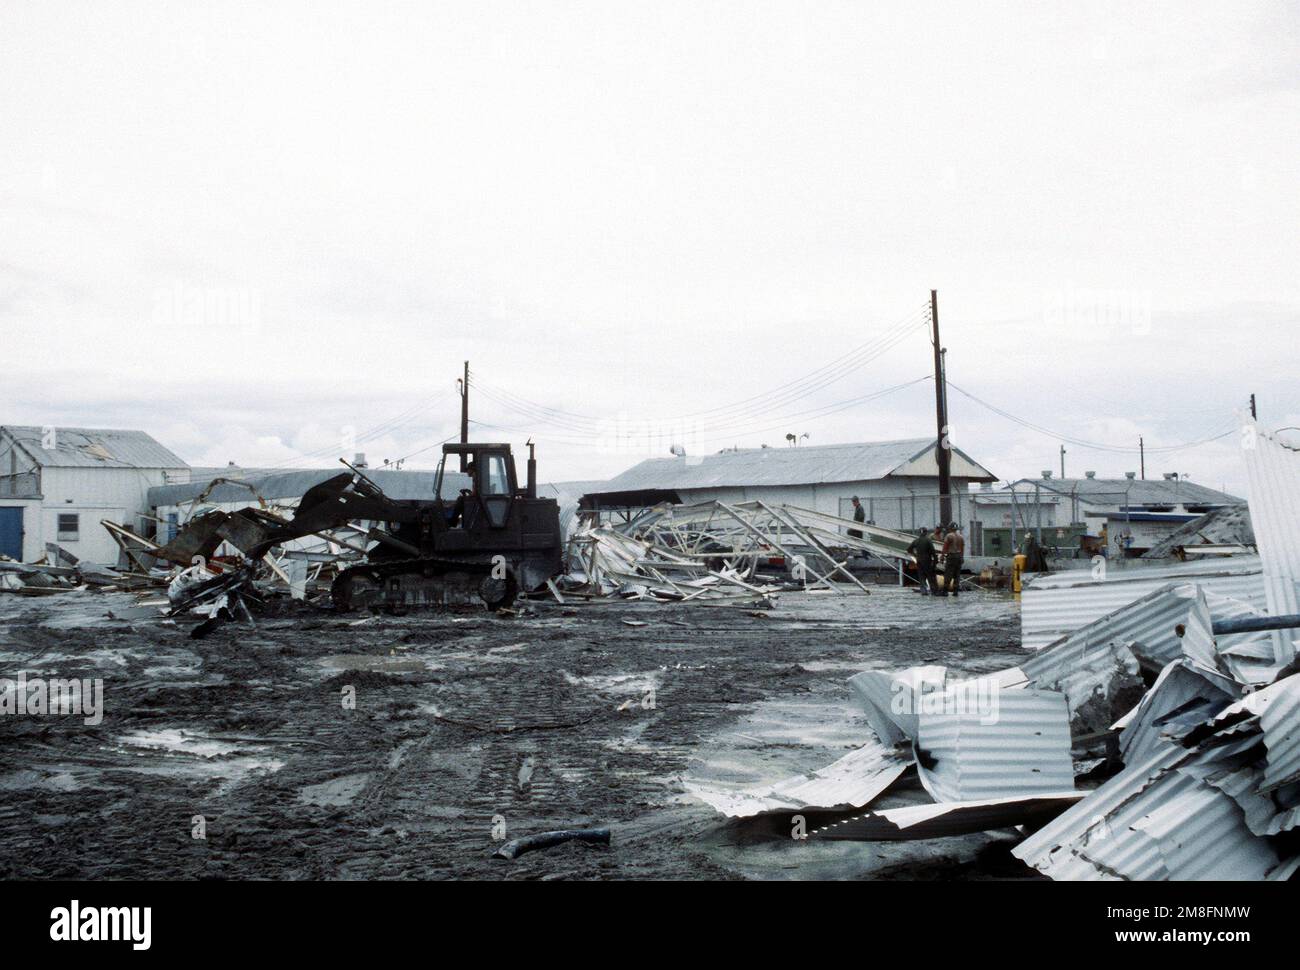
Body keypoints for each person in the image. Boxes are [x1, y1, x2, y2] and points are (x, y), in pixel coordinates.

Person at [907, 527, 937, 595]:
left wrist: (915, 555)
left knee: (921, 576)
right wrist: (935, 560)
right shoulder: (928, 540)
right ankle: (933, 591)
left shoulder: (916, 541)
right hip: (927, 560)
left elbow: (909, 549)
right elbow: (933, 551)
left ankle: (924, 591)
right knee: (930, 576)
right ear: (926, 532)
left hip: (919, 560)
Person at [942, 522, 965, 597]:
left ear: (950, 528)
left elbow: (945, 547)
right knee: (957, 575)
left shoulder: (949, 536)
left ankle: (945, 591)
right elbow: (962, 548)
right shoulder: (961, 536)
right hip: (959, 556)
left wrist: (942, 556)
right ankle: (955, 591)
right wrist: (962, 557)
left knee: (948, 573)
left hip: (951, 556)